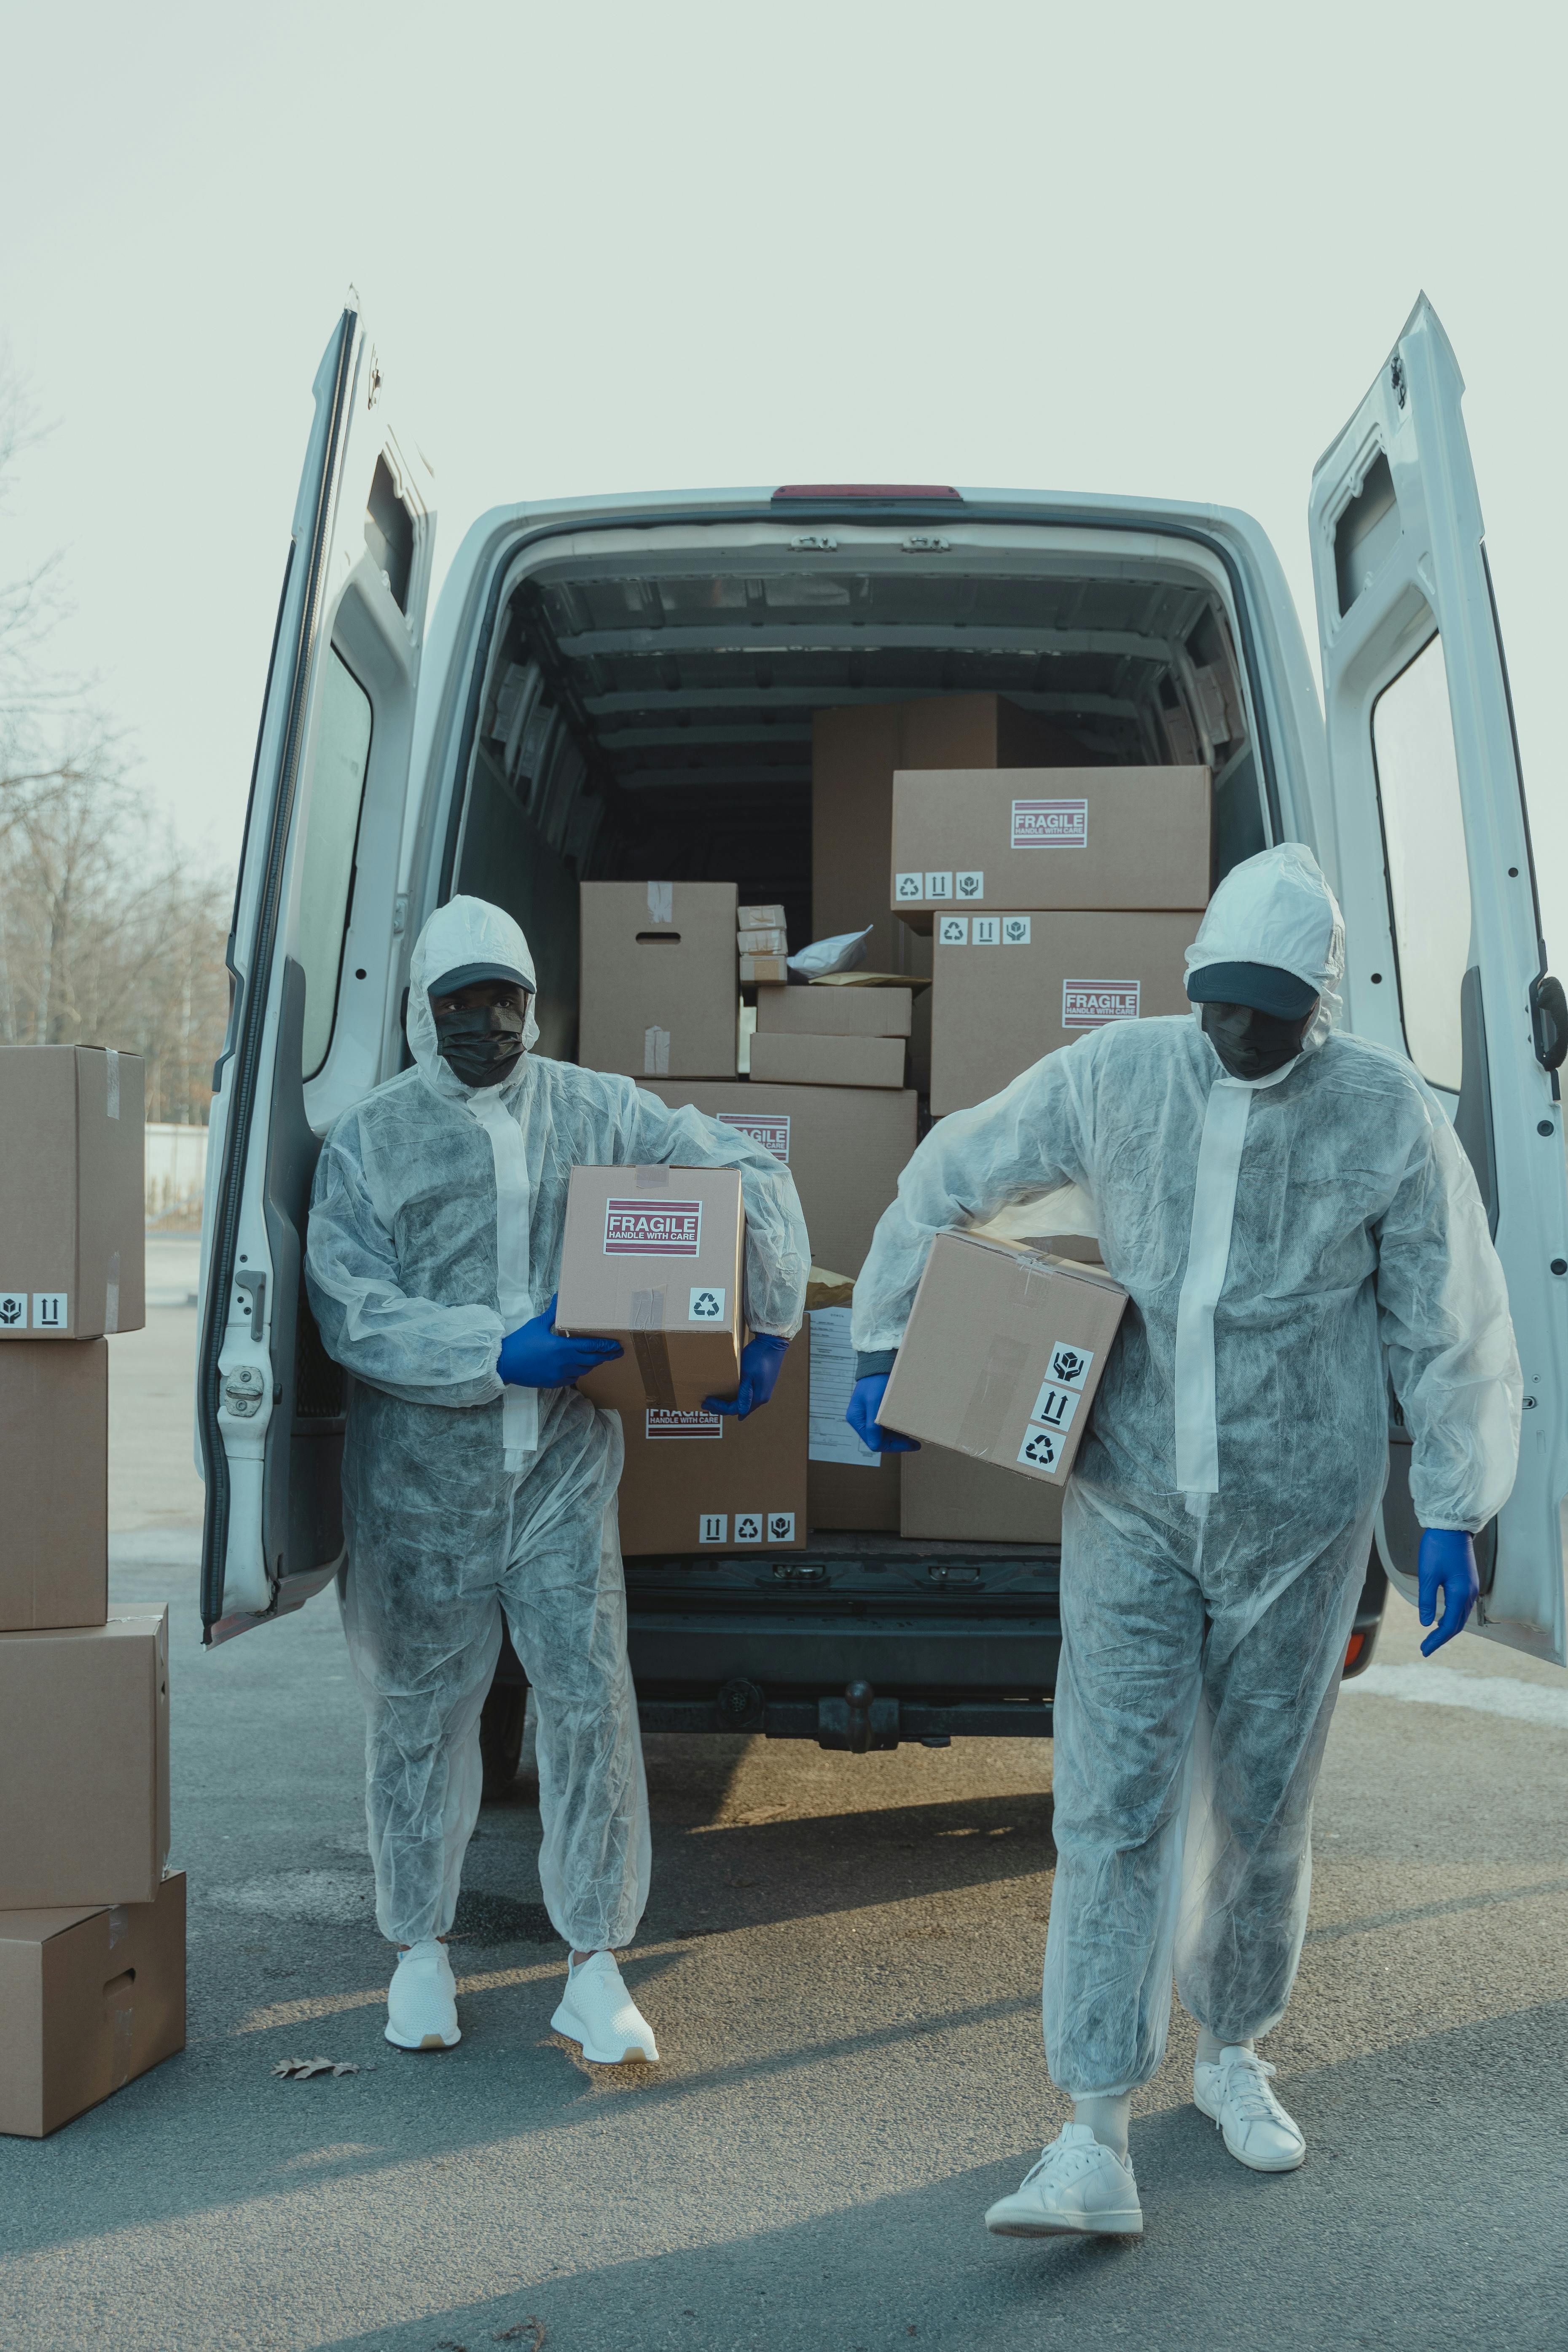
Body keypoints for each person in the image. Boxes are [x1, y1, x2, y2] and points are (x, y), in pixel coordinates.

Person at [848, 843, 1520, 2237]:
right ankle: (1092, 2128)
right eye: (1220, 999)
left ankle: (1232, 2054)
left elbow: (1447, 1316)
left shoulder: (1383, 1115)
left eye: (1270, 1009)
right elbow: (956, 1167)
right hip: (1134, 1495)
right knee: (1112, 1795)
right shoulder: (1118, 1072)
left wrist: (1455, 1503)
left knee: (1266, 1797)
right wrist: (884, 1327)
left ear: (1318, 1005)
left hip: (1300, 1512)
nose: (1237, 1031)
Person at [306, 895, 808, 2062]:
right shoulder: (371, 1142)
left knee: (587, 1702)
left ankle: (595, 1963)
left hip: (564, 1475)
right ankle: (419, 1953)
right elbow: (353, 1310)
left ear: (535, 1003)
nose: (487, 1023)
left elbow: (738, 1161)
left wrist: (769, 1309)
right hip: (421, 1484)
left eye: (506, 1000)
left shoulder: (596, 1106)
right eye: (461, 1004)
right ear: (422, 1015)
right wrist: (495, 1348)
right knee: (421, 1714)